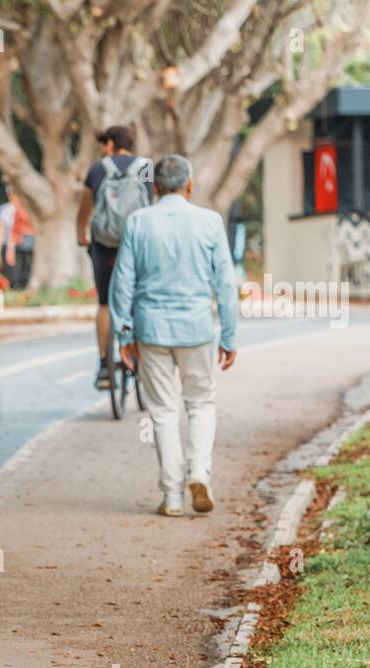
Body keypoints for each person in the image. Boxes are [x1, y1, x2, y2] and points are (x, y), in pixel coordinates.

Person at [109, 155, 238, 518]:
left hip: (151, 330)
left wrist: (124, 334)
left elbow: (123, 282)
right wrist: (229, 335)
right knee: (200, 404)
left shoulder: (138, 222)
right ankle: (199, 470)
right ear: (190, 185)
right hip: (196, 329)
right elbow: (226, 283)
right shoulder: (210, 222)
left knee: (163, 412)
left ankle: (173, 496)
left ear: (155, 186)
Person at [77, 125, 153, 389]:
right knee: (141, 299)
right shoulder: (146, 167)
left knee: (105, 303)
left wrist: (81, 233)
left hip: (105, 244)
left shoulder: (98, 169)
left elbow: (85, 206)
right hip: (138, 243)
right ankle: (142, 362)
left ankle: (103, 368)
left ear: (110, 143)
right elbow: (151, 205)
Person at [0, 184, 35, 290]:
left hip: (27, 248)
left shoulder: (28, 209)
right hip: (10, 247)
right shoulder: (4, 210)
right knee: (12, 278)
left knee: (25, 274)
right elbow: (0, 233)